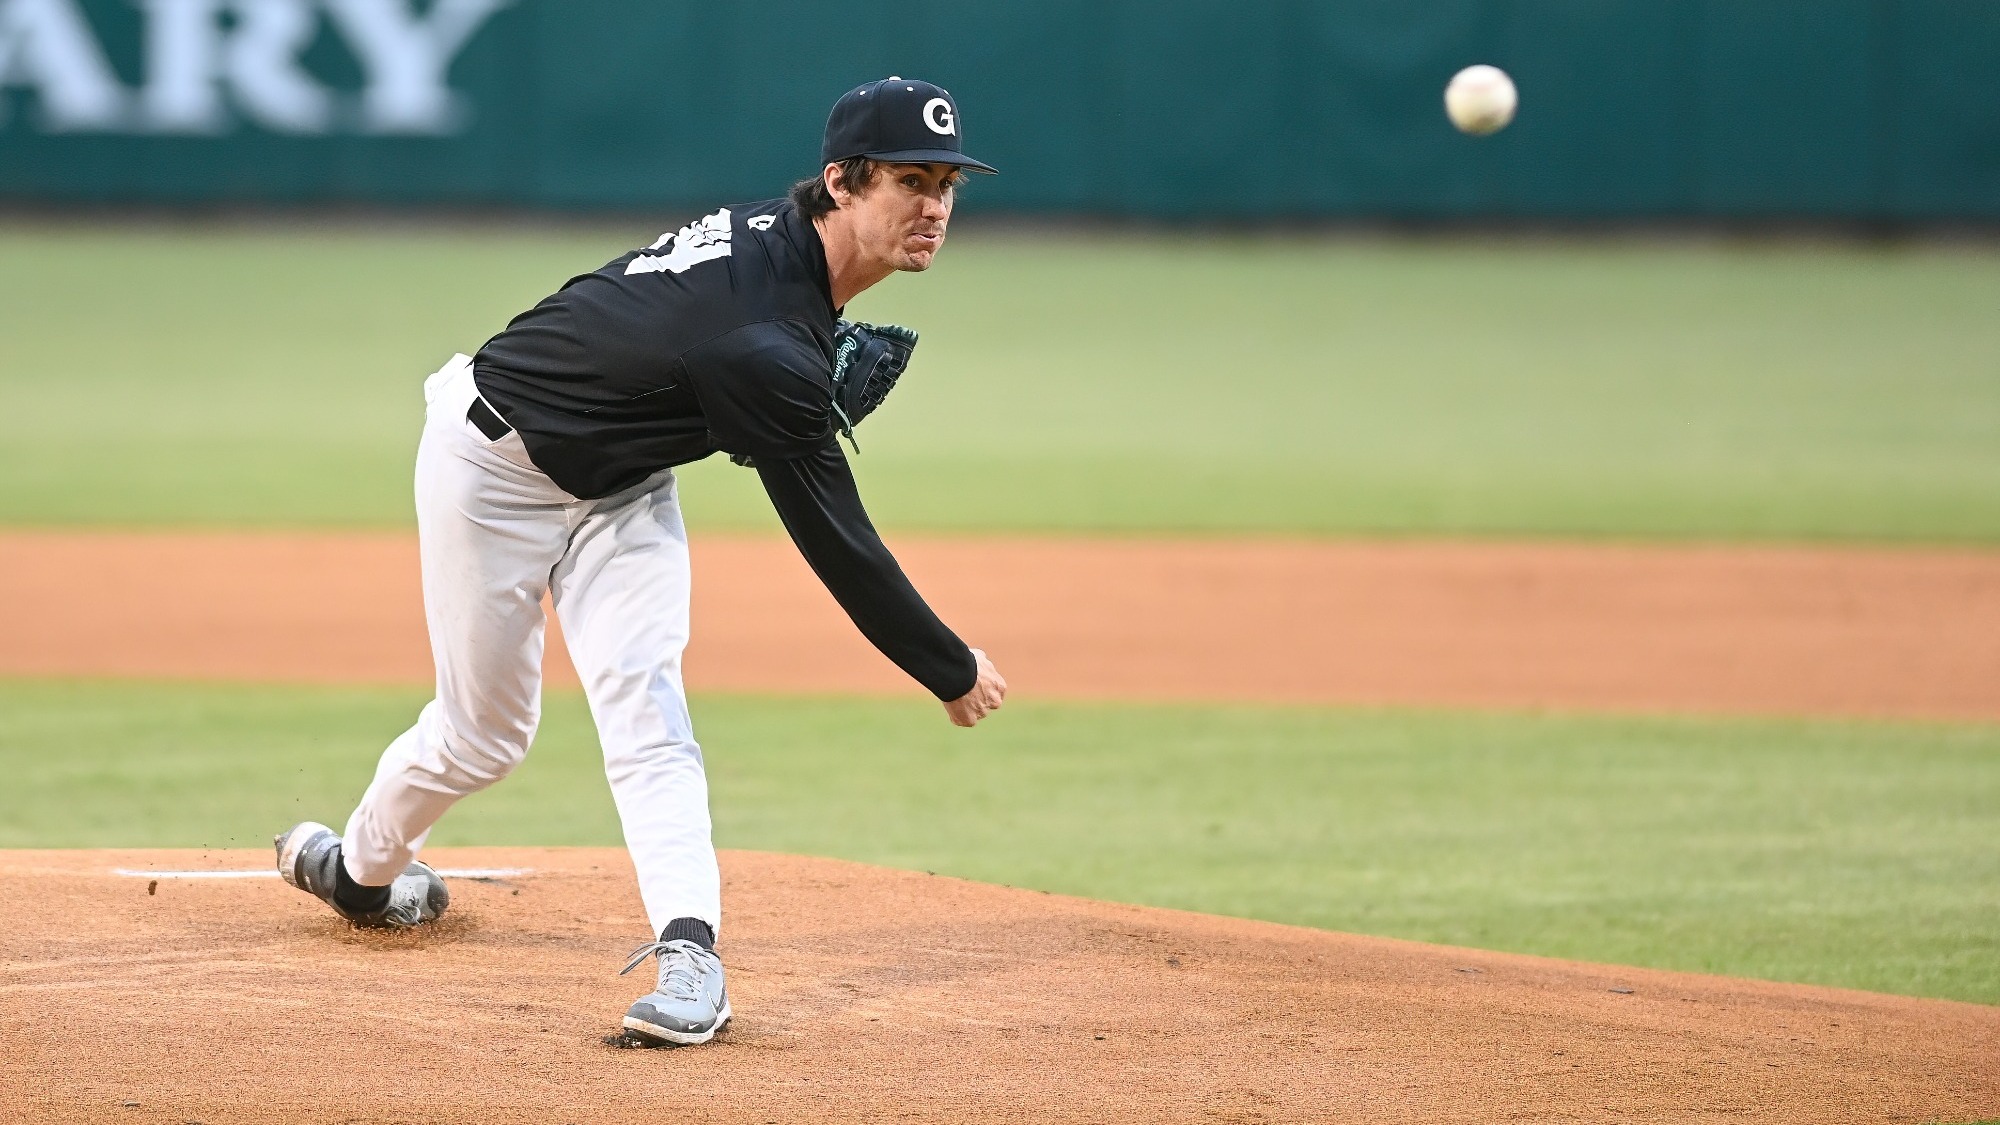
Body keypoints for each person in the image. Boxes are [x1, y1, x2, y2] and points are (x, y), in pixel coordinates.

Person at [272, 76, 1008, 1047]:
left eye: (948, 184)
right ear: (840, 181)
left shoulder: (782, 250)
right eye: (910, 181)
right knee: (484, 737)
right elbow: (832, 533)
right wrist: (945, 665)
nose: (934, 207)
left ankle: (689, 956)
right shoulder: (763, 345)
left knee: (645, 702)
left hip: (621, 481)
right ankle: (357, 875)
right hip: (491, 468)